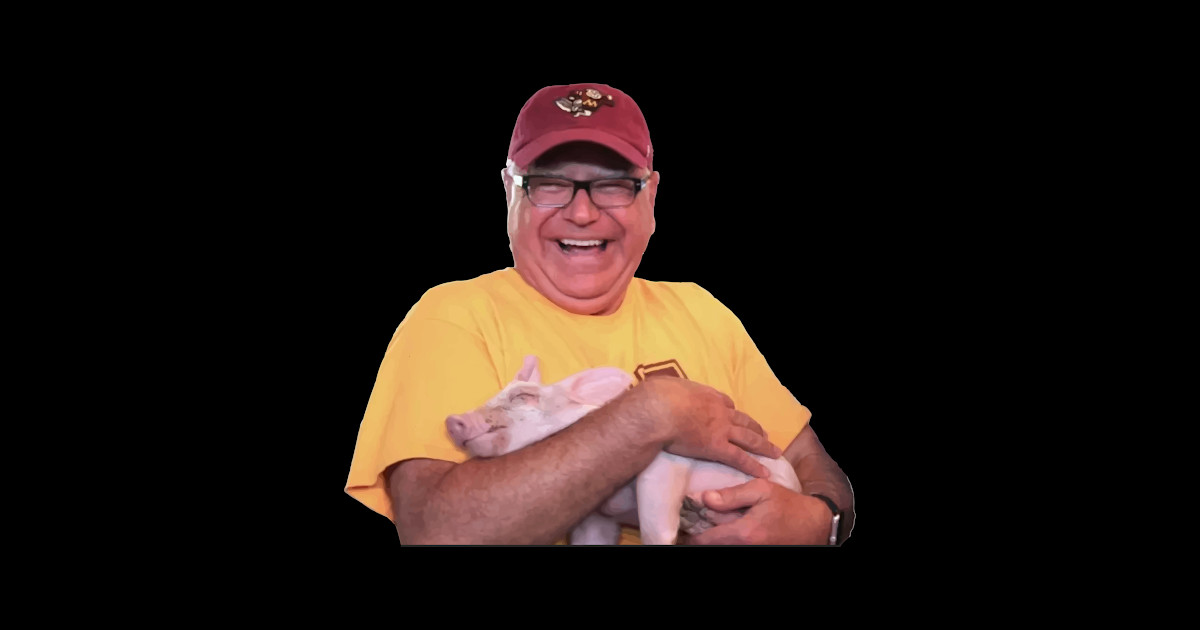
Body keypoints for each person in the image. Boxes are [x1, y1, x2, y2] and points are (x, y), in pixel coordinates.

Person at [344, 82, 854, 545]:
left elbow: (810, 461)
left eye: (614, 184)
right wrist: (651, 417)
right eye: (548, 182)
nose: (583, 212)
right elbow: (438, 532)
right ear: (508, 193)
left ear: (651, 196)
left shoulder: (702, 312)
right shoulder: (453, 318)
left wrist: (819, 521)